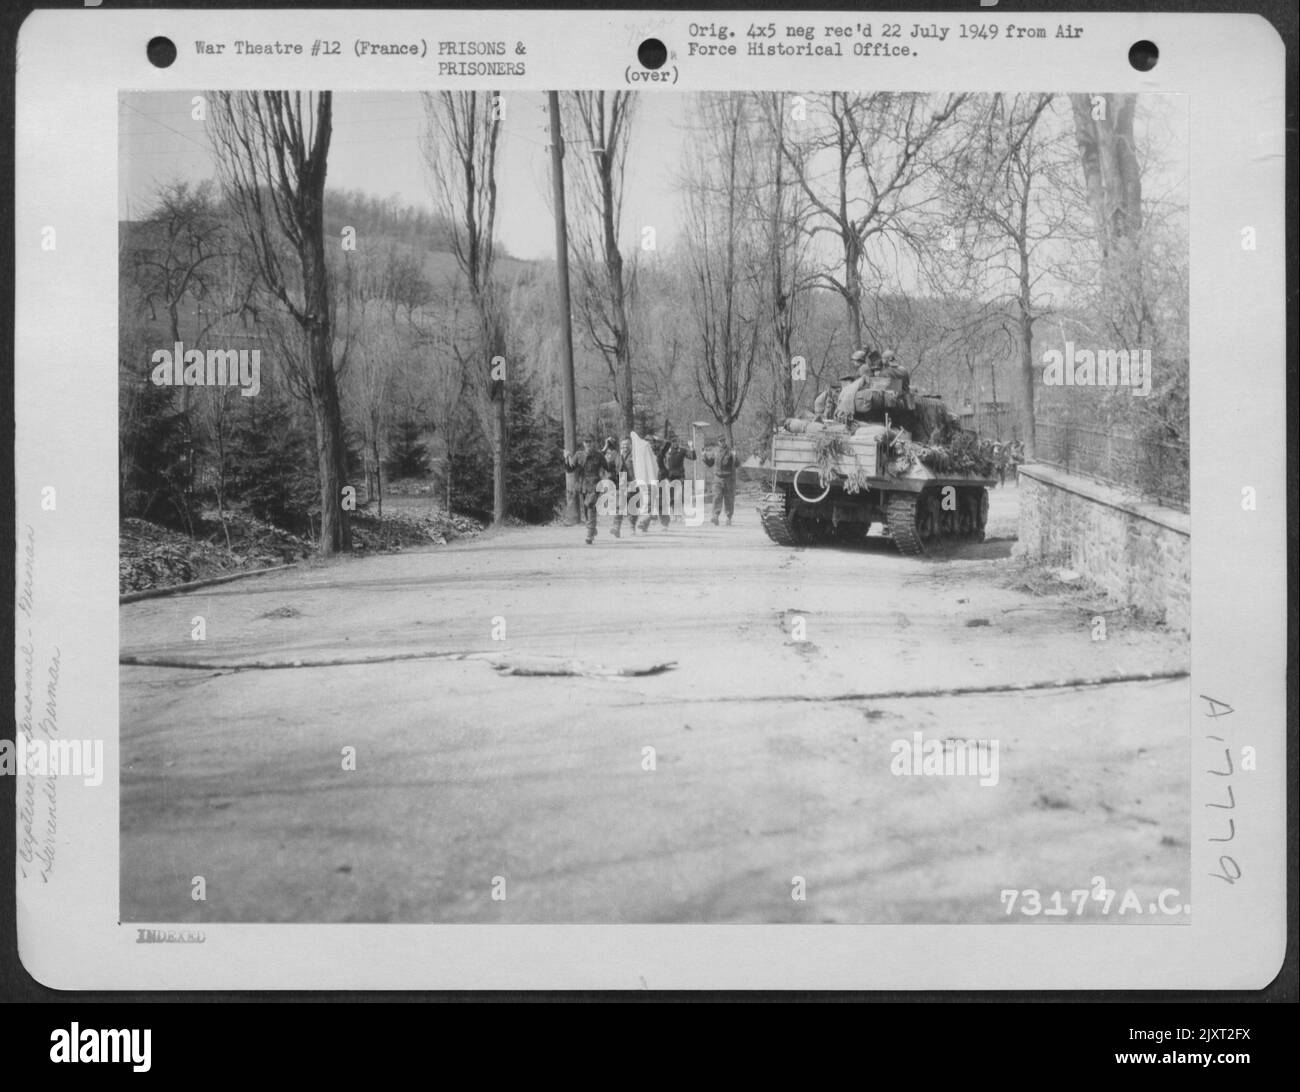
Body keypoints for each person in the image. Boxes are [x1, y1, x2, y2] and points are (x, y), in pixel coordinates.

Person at [562, 434, 608, 544]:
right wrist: (566, 457)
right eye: (586, 442)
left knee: (590, 505)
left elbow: (607, 468)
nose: (588, 444)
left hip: (595, 485)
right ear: (583, 443)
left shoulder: (599, 455)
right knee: (586, 510)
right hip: (583, 486)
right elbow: (570, 469)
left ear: (593, 443)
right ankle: (592, 528)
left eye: (590, 441)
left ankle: (589, 534)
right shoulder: (579, 455)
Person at [654, 431, 697, 527]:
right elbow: (660, 460)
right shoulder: (666, 452)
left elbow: (693, 457)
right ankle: (674, 514)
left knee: (679, 495)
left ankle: (679, 514)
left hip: (680, 476)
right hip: (670, 477)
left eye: (676, 441)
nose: (675, 443)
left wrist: (692, 448)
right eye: (673, 441)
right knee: (672, 496)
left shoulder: (682, 450)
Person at [704, 437, 739, 525]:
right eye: (720, 441)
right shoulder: (716, 452)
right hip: (718, 479)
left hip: (728, 479)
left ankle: (728, 517)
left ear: (725, 441)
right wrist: (704, 455)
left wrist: (735, 456)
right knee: (717, 497)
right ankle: (715, 517)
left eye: (723, 441)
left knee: (729, 499)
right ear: (718, 442)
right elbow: (709, 463)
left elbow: (737, 464)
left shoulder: (730, 451)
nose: (722, 442)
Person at [608, 437, 639, 538]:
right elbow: (610, 466)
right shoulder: (617, 455)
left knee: (632, 506)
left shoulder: (635, 455)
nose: (625, 446)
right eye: (623, 444)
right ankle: (616, 527)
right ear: (620, 445)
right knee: (619, 505)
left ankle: (632, 526)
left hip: (633, 482)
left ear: (631, 445)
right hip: (621, 482)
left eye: (627, 444)